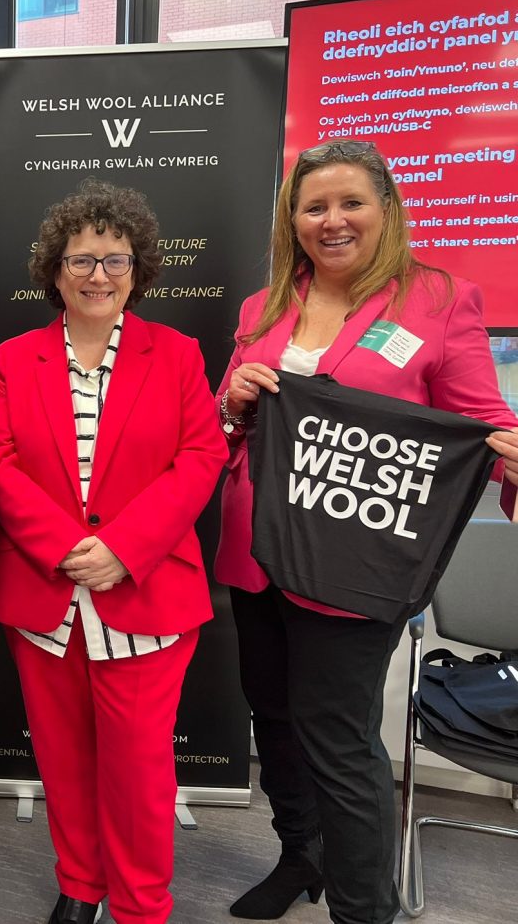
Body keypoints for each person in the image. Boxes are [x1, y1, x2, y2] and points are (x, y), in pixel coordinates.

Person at [216, 139, 518, 924]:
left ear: (386, 209)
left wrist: (510, 459)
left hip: (358, 567)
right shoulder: (265, 306)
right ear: (294, 221)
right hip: (258, 553)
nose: (332, 220)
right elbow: (223, 433)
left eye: (351, 203)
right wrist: (234, 403)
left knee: (340, 740)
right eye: (314, 207)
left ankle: (363, 910)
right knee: (272, 714)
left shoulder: (439, 299)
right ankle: (301, 856)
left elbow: (478, 426)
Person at [0, 178, 227, 924]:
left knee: (140, 770)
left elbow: (201, 457)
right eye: (81, 259)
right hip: (44, 594)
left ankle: (143, 905)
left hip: (145, 594)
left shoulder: (177, 355)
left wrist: (121, 548)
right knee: (62, 756)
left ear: (138, 269)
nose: (97, 275)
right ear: (54, 270)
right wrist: (66, 548)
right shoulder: (14, 358)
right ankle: (81, 886)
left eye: (114, 260)